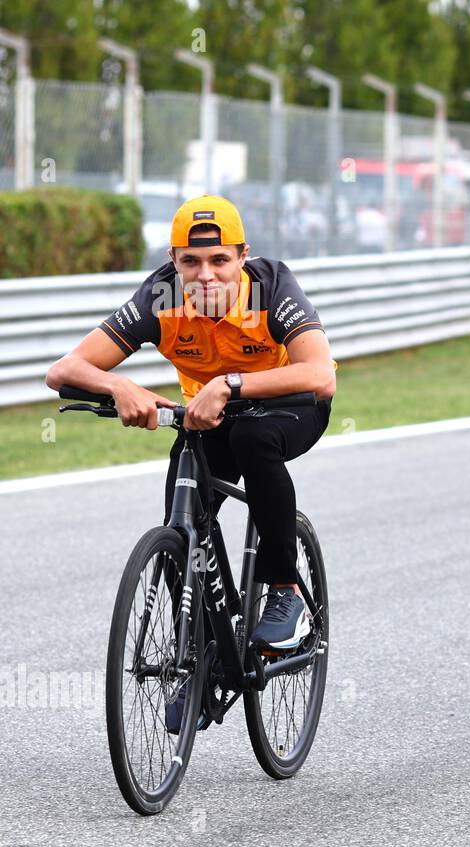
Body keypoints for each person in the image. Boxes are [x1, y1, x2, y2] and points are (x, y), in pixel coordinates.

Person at [45, 195, 337, 671]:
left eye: (220, 260)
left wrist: (229, 384)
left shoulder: (273, 285)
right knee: (182, 510)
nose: (206, 275)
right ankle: (199, 653)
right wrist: (118, 385)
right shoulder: (160, 296)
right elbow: (63, 371)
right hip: (207, 416)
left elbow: (320, 375)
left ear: (243, 257)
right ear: (173, 262)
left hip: (289, 405)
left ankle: (285, 591)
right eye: (191, 261)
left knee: (253, 440)